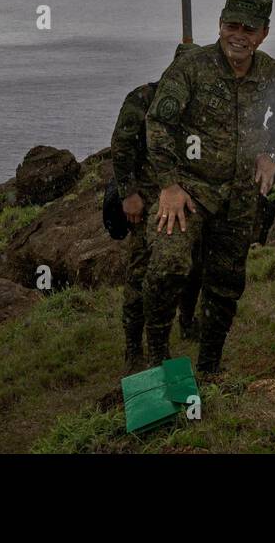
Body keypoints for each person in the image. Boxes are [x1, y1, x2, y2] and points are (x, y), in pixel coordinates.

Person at [141, 0, 275, 373]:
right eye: (231, 26)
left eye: (248, 29)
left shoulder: (273, 74)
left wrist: (272, 154)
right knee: (169, 265)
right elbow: (158, 122)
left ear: (263, 33)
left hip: (240, 195)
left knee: (226, 283)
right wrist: (169, 185)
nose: (238, 35)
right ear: (220, 25)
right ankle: (157, 355)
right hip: (188, 190)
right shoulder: (191, 67)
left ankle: (210, 366)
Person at [109, 43, 204, 374]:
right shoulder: (143, 98)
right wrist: (128, 194)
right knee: (141, 272)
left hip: (186, 201)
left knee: (190, 268)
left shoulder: (200, 105)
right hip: (147, 200)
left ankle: (187, 322)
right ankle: (134, 348)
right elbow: (121, 146)